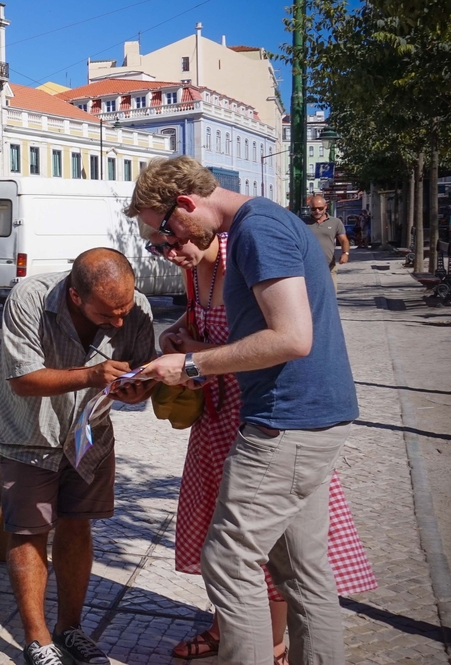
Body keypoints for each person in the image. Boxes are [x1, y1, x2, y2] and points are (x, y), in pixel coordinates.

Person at [128, 156, 359, 665]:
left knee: (230, 562)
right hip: (310, 418)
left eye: (165, 230)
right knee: (303, 573)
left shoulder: (255, 230)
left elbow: (292, 338)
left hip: (284, 421)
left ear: (185, 204)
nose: (168, 245)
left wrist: (191, 365)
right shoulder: (266, 222)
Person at [0, 248, 159, 665]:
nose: (119, 321)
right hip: (26, 434)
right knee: (29, 533)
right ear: (76, 296)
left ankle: (70, 629)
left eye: (125, 309)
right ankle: (38, 639)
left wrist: (140, 389)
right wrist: (92, 375)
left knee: (77, 527)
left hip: (88, 437)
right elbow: (23, 381)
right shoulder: (28, 299)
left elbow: (145, 370)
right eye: (107, 314)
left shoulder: (135, 308)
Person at [307, 195, 349, 288]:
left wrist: (345, 253)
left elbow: (344, 240)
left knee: (331, 298)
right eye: (313, 209)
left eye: (320, 208)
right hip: (308, 268)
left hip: (329, 268)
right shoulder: (303, 223)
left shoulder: (335, 222)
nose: (317, 211)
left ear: (325, 207)